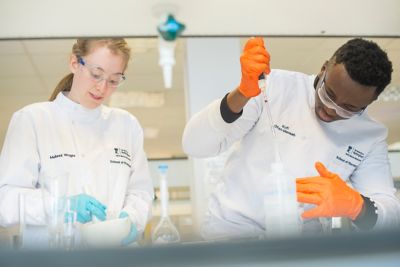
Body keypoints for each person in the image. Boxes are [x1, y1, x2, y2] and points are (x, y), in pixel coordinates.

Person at [182, 37, 400, 240]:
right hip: (232, 235)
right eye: (328, 94)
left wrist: (358, 206)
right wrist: (241, 94)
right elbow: (195, 145)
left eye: (348, 109)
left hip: (301, 246)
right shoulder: (274, 86)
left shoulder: (370, 136)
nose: (330, 110)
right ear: (324, 69)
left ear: (371, 101)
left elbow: (390, 214)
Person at [0, 38, 154, 247]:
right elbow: (6, 201)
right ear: (75, 63)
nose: (102, 87)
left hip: (117, 256)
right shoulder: (33, 120)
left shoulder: (126, 124)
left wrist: (132, 218)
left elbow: (141, 192)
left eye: (114, 80)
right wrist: (60, 206)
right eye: (96, 74)